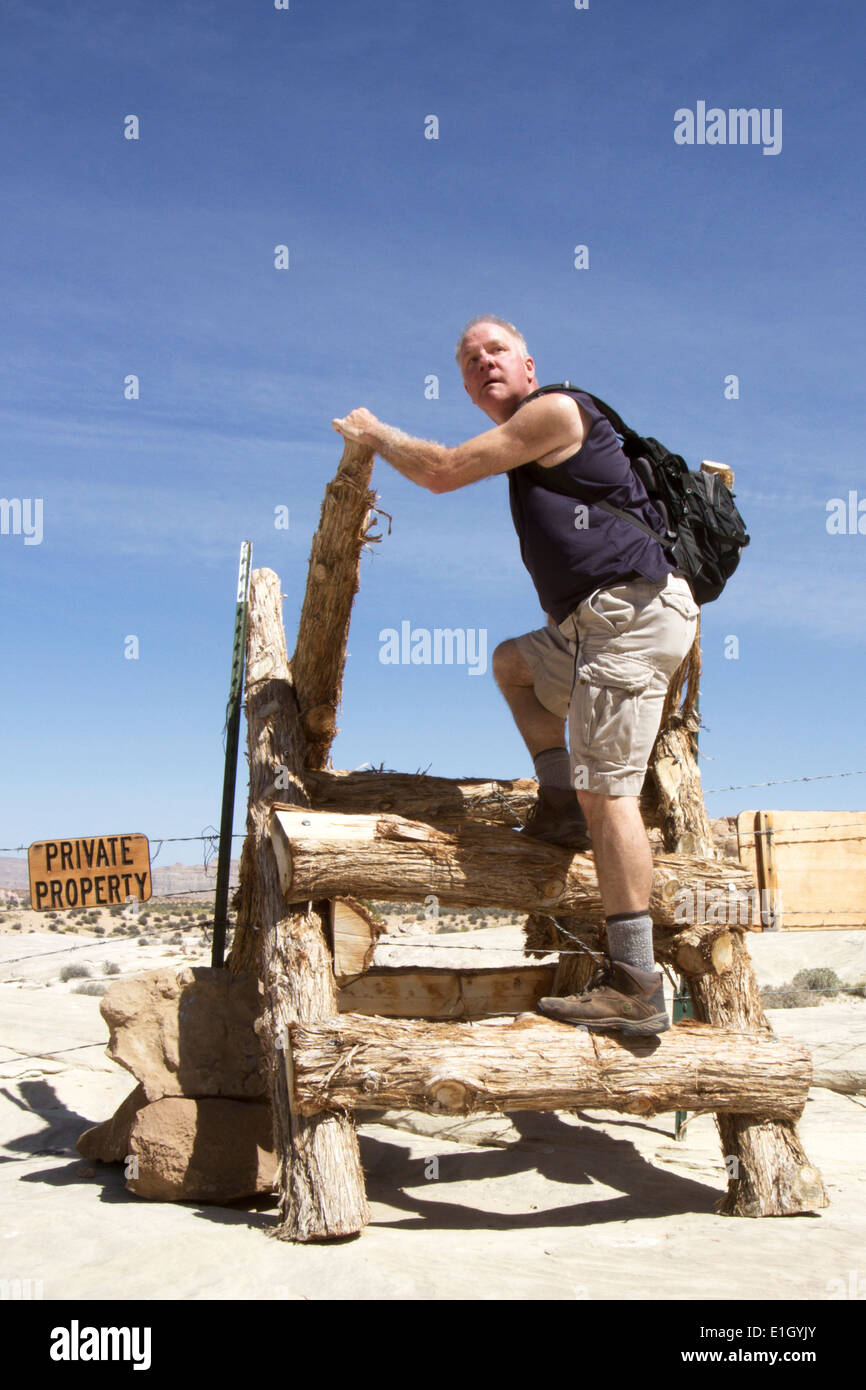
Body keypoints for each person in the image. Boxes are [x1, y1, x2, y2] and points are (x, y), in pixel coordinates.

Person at [332, 316, 699, 1035]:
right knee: (512, 665)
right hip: (589, 629)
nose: (483, 363)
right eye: (470, 361)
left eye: (495, 350)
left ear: (529, 367)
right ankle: (559, 801)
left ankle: (636, 983)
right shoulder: (530, 442)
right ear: (469, 389)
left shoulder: (556, 412)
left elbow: (440, 471)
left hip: (629, 612)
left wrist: (373, 433)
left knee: (611, 792)